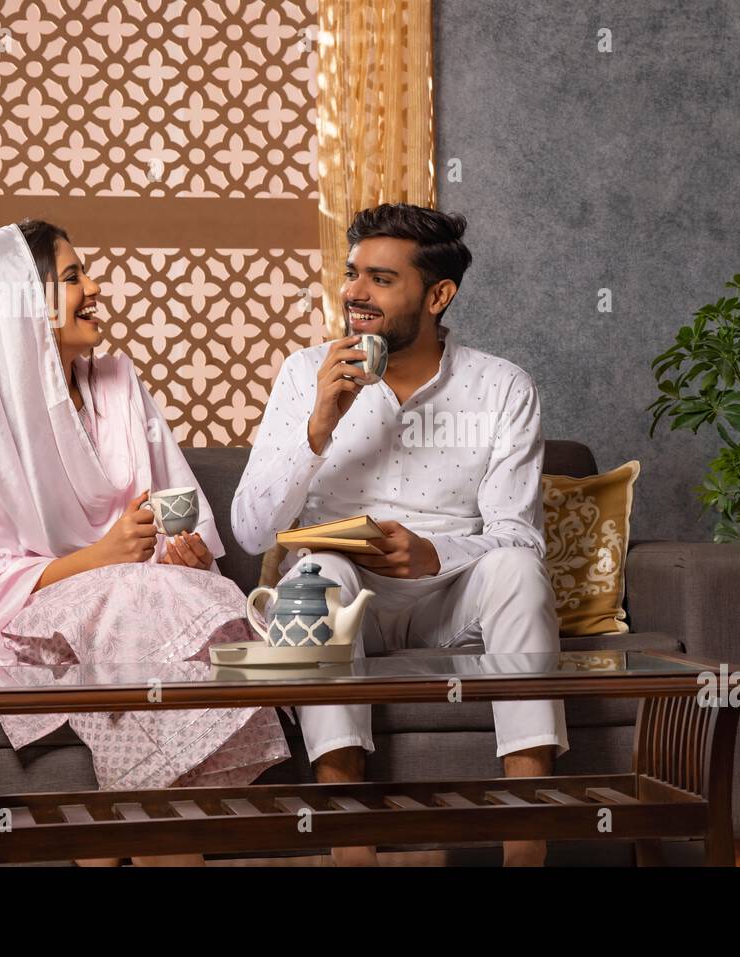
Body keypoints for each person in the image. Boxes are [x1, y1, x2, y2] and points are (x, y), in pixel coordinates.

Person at [0, 221, 289, 867]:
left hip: (145, 591)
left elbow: (184, 512)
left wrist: (189, 552)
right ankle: (162, 848)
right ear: (23, 300)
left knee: (177, 591)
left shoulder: (117, 379)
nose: (95, 288)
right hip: (33, 614)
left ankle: (124, 830)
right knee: (131, 592)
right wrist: (105, 556)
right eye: (72, 278)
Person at [232, 203, 567, 866]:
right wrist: (319, 425)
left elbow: (518, 536)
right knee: (312, 579)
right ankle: (349, 845)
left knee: (519, 572)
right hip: (345, 588)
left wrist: (432, 552)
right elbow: (248, 532)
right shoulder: (306, 375)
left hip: (450, 599)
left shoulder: (502, 387)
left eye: (381, 279)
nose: (354, 292)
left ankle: (527, 843)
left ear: (438, 294)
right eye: (353, 273)